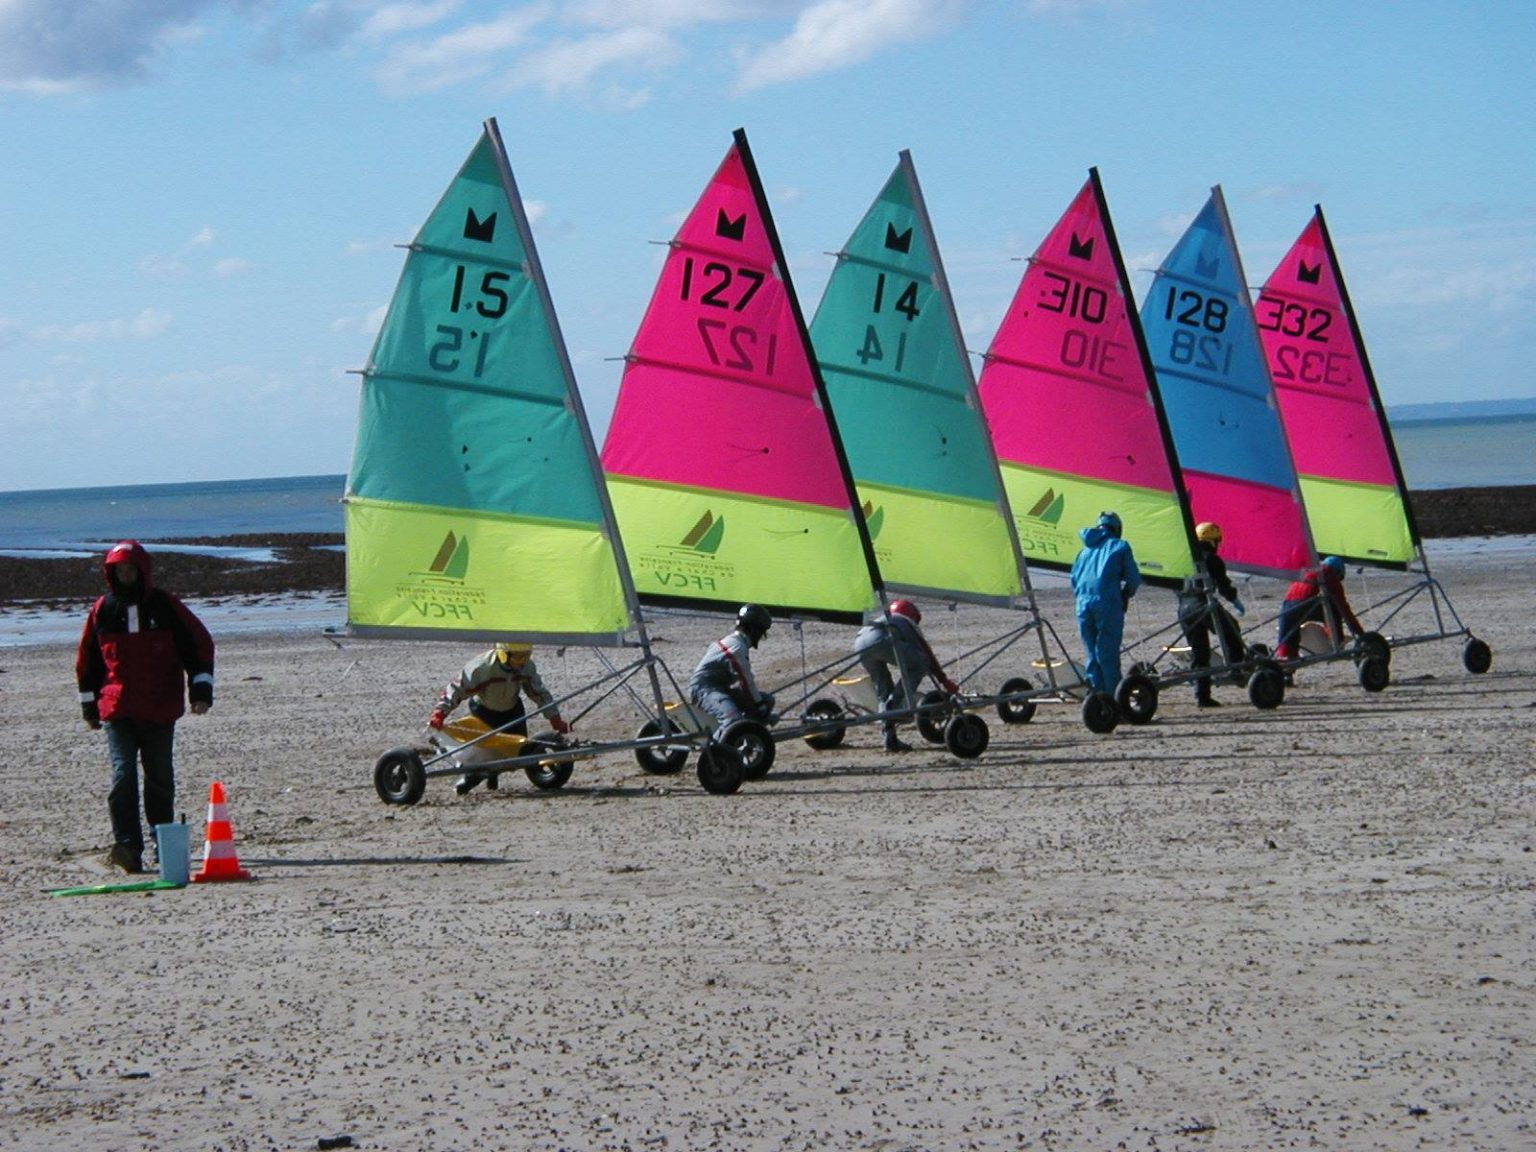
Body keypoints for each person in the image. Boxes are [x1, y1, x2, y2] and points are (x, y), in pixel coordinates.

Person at [76, 541, 215, 874]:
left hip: (159, 709)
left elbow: (198, 646)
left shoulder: (166, 606)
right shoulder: (103, 610)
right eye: (119, 571)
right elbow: (88, 661)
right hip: (117, 709)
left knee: (159, 778)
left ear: (142, 571)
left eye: (130, 569)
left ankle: (162, 842)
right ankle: (127, 847)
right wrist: (89, 708)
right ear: (111, 575)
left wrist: (201, 691)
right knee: (122, 776)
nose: (125, 575)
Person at [428, 642, 570, 795]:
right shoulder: (482, 668)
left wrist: (554, 718)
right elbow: (456, 690)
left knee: (517, 753)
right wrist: (439, 713)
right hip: (484, 712)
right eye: (518, 657)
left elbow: (539, 693)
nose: (521, 662)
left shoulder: (527, 667)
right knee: (486, 756)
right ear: (504, 654)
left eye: (525, 656)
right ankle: (472, 777)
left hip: (512, 710)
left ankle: (494, 773)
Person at [853, 599, 958, 753]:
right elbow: (926, 653)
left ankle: (889, 738)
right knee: (921, 663)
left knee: (883, 688)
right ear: (912, 614)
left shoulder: (884, 618)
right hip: (880, 639)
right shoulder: (906, 622)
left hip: (859, 642)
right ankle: (894, 702)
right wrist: (944, 680)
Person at [1069, 511, 1142, 696]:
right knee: (1107, 653)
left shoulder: (1084, 551)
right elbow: (1133, 579)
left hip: (1082, 605)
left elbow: (1074, 579)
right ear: (1117, 529)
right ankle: (1113, 699)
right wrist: (1125, 595)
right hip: (1107, 603)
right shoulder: (1120, 546)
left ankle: (1096, 695)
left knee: (1091, 654)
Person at [1178, 521, 1246, 708]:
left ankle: (1202, 696)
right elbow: (1224, 585)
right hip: (1203, 605)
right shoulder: (1212, 559)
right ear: (1212, 541)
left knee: (1200, 654)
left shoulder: (1185, 557)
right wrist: (1235, 601)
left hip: (1184, 608)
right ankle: (1236, 670)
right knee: (1232, 631)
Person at [689, 604, 775, 738]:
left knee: (768, 700)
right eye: (761, 632)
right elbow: (746, 683)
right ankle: (714, 753)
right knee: (732, 720)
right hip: (704, 690)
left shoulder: (735, 642)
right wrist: (761, 709)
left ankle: (750, 736)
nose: (760, 637)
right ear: (753, 629)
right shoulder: (736, 648)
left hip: (719, 689)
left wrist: (762, 705)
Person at [1275, 556, 1363, 662]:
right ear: (1338, 572)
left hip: (1288, 607)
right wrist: (1360, 634)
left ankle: (1285, 662)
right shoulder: (1329, 575)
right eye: (1341, 577)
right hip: (1308, 605)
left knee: (1288, 637)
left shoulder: (1306, 572)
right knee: (1334, 610)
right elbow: (1344, 609)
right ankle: (1336, 642)